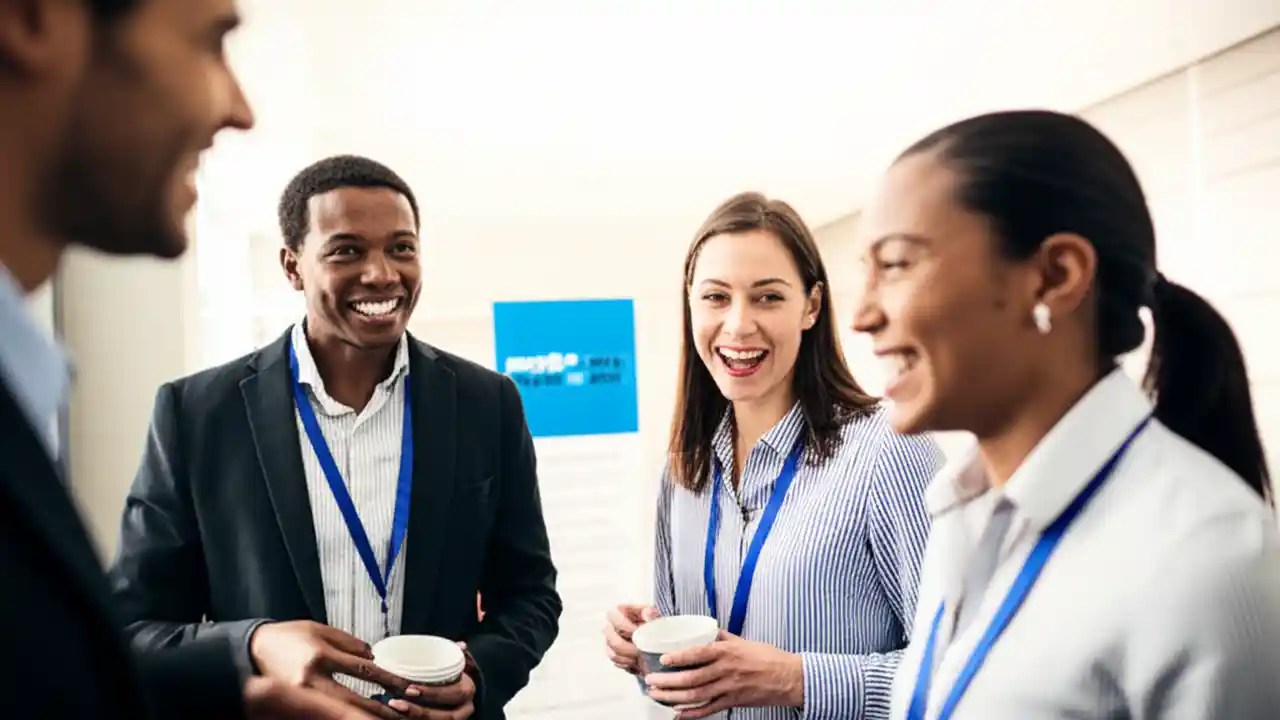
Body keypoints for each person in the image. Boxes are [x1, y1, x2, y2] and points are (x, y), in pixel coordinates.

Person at [0, 0, 386, 717]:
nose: (237, 108)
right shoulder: (193, 407)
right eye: (210, 42)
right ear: (35, 20)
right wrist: (250, 649)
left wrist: (239, 701)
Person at [847, 109, 1280, 719]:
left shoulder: (1209, 560)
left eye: (895, 264)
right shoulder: (960, 513)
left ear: (1055, 276)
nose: (861, 314)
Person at [108, 153, 562, 720]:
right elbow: (131, 629)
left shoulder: (486, 403)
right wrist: (254, 643)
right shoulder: (197, 414)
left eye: (401, 247)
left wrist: (478, 673)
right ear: (292, 266)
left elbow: (531, 595)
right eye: (347, 250)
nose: (382, 274)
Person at [604, 192, 943, 719]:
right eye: (716, 297)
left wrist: (794, 679)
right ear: (690, 304)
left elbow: (959, 670)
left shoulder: (888, 450)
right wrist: (645, 654)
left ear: (811, 306)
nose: (738, 325)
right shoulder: (683, 471)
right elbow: (683, 686)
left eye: (767, 298)